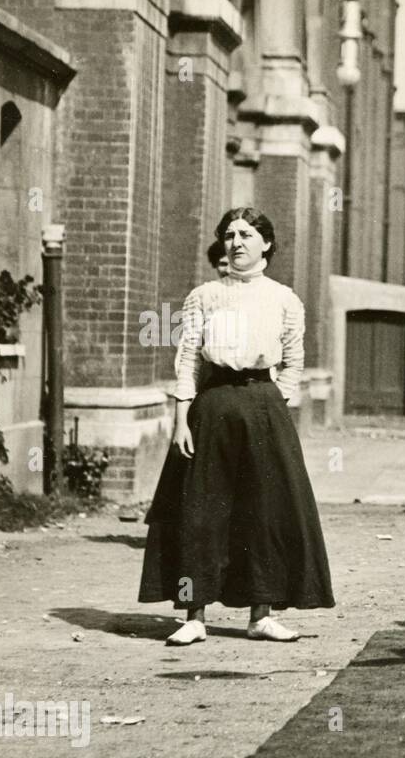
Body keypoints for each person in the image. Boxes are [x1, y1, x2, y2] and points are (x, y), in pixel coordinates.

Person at [139, 207, 334, 643]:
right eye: (229, 235)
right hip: (212, 406)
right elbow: (188, 359)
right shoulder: (204, 296)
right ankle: (194, 615)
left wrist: (272, 407)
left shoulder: (284, 298)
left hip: (264, 405)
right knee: (202, 511)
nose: (237, 242)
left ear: (266, 243)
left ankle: (261, 615)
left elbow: (293, 361)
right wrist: (181, 420)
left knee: (265, 511)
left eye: (247, 234)